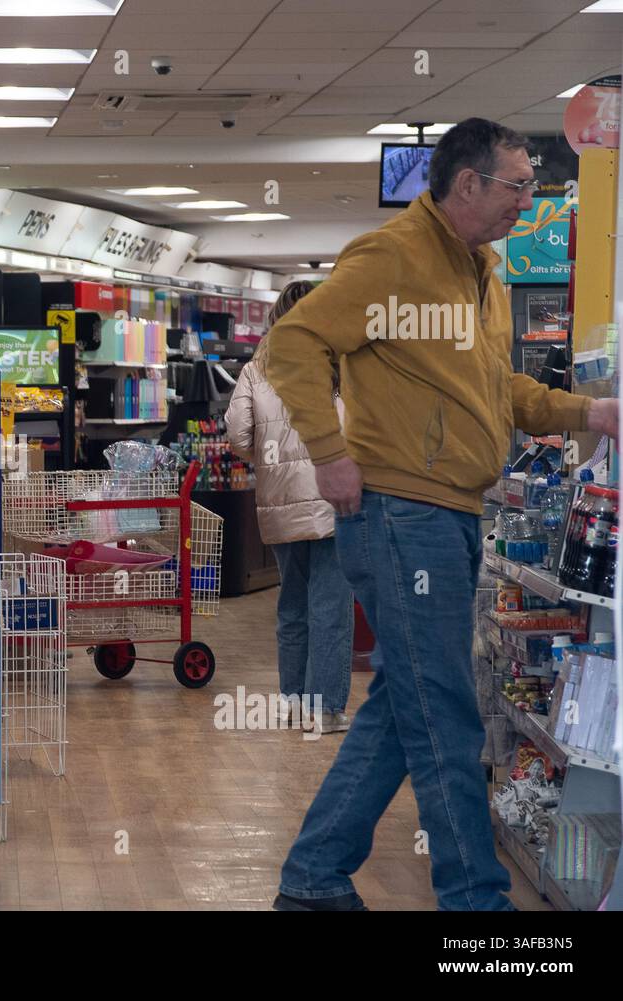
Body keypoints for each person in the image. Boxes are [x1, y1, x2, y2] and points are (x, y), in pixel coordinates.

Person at [264, 117, 619, 912]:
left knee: (407, 704)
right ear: (468, 183)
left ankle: (315, 877)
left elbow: (506, 395)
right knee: (448, 719)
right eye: (519, 186)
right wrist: (327, 451)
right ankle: (476, 906)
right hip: (401, 515)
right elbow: (292, 345)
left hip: (448, 515)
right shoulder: (394, 257)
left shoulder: (482, 272)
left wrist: (590, 414)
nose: (529, 202)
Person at [226, 280, 352, 734]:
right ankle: (325, 709)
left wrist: (272, 461)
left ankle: (294, 703)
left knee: (292, 605)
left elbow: (239, 436)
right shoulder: (344, 363)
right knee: (331, 607)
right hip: (337, 499)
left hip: (278, 502)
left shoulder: (257, 368)